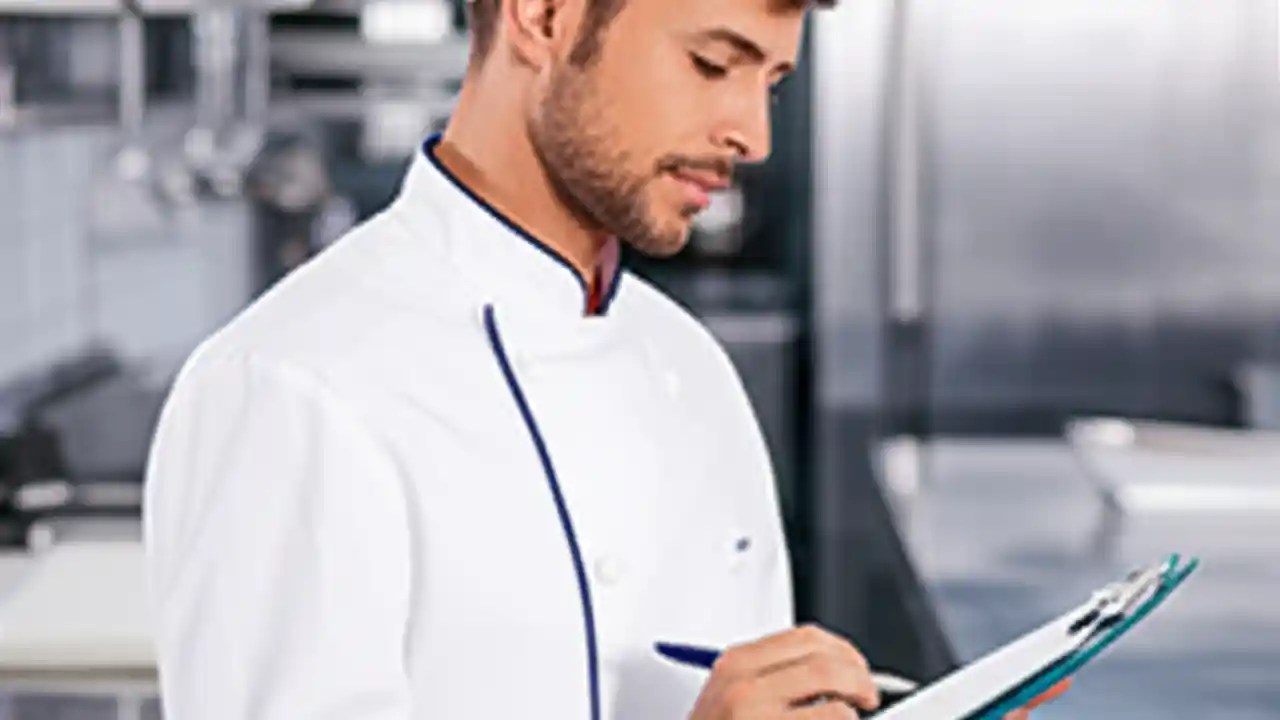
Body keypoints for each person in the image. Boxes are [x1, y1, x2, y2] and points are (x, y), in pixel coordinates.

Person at [143, 0, 1066, 716]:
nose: (755, 134)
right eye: (712, 63)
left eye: (772, 82)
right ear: (542, 17)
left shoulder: (690, 368)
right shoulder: (292, 387)